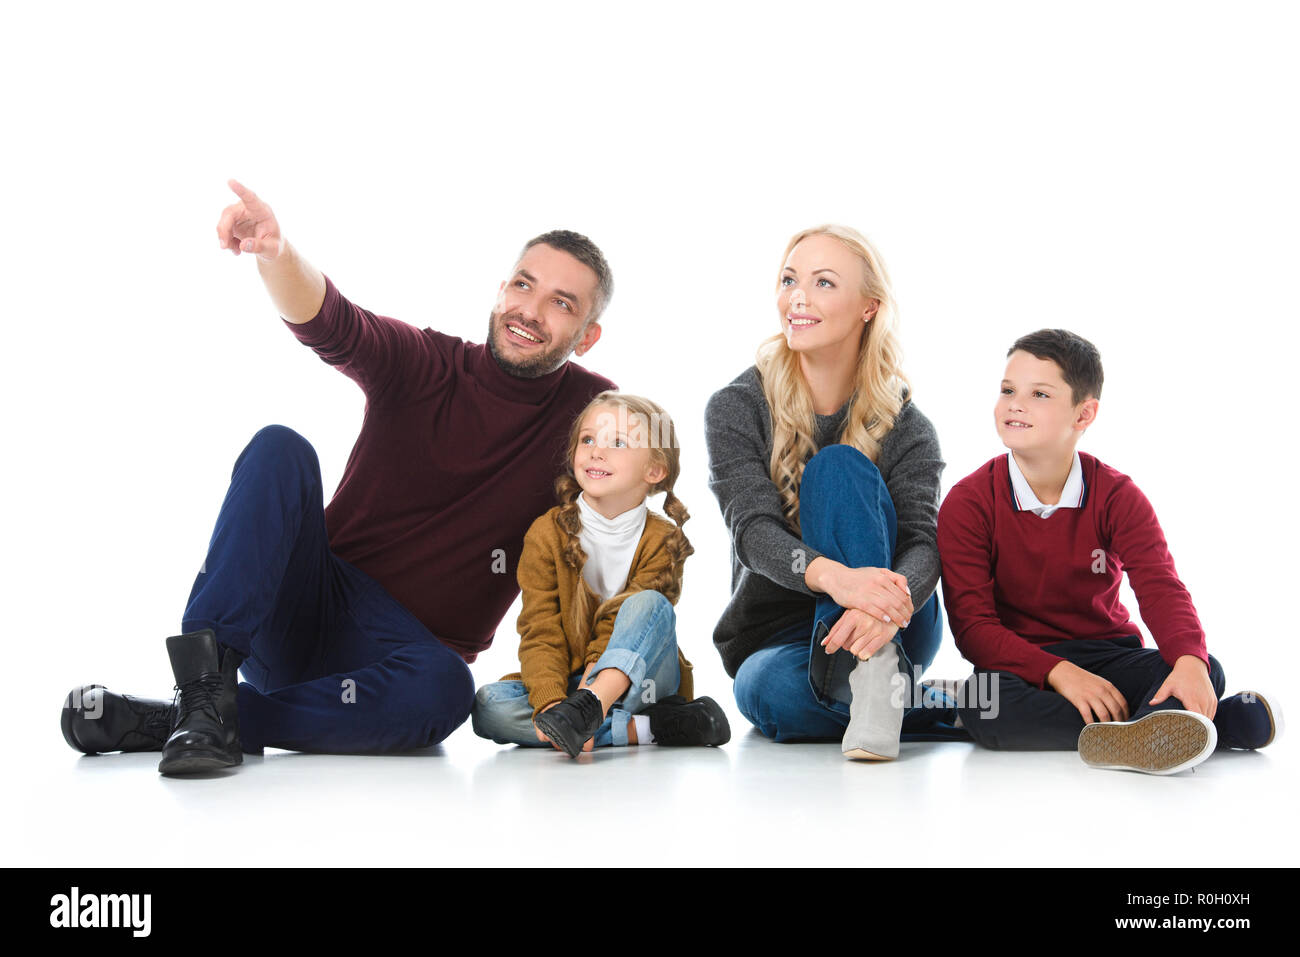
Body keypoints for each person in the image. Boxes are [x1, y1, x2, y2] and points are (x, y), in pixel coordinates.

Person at [60, 179, 617, 774]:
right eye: (523, 285)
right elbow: (334, 322)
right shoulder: (426, 364)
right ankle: (204, 685)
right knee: (281, 448)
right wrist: (276, 254)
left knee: (448, 689)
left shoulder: (591, 417)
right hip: (306, 609)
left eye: (562, 303)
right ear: (501, 289)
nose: (530, 311)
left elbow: (622, 521)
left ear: (587, 336)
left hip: (404, 664)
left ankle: (211, 719)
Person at [937, 329, 1282, 774]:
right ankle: (1205, 725)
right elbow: (973, 628)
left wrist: (1191, 662)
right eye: (1007, 391)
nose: (1014, 405)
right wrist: (1059, 672)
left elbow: (1160, 587)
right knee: (982, 704)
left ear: (1084, 414)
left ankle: (1161, 726)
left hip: (1109, 656)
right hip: (1023, 666)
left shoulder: (1117, 495)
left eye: (1039, 393)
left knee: (1201, 666)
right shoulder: (969, 502)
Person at [705, 225, 960, 761]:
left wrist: (882, 610)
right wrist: (840, 582)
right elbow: (752, 532)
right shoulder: (737, 406)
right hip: (782, 635)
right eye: (789, 279)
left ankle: (876, 672)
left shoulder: (907, 425)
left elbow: (923, 543)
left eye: (823, 283)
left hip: (896, 617)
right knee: (767, 691)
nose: (797, 296)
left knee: (837, 468)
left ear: (869, 307)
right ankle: (926, 704)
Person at [472, 392, 730, 757]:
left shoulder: (663, 540)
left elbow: (623, 623)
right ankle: (649, 727)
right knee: (488, 706)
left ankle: (591, 712)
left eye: (618, 443)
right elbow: (539, 629)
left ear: (654, 471)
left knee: (649, 604)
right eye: (588, 439)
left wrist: (591, 695)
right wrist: (550, 707)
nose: (597, 451)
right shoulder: (545, 535)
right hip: (574, 682)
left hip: (644, 679)